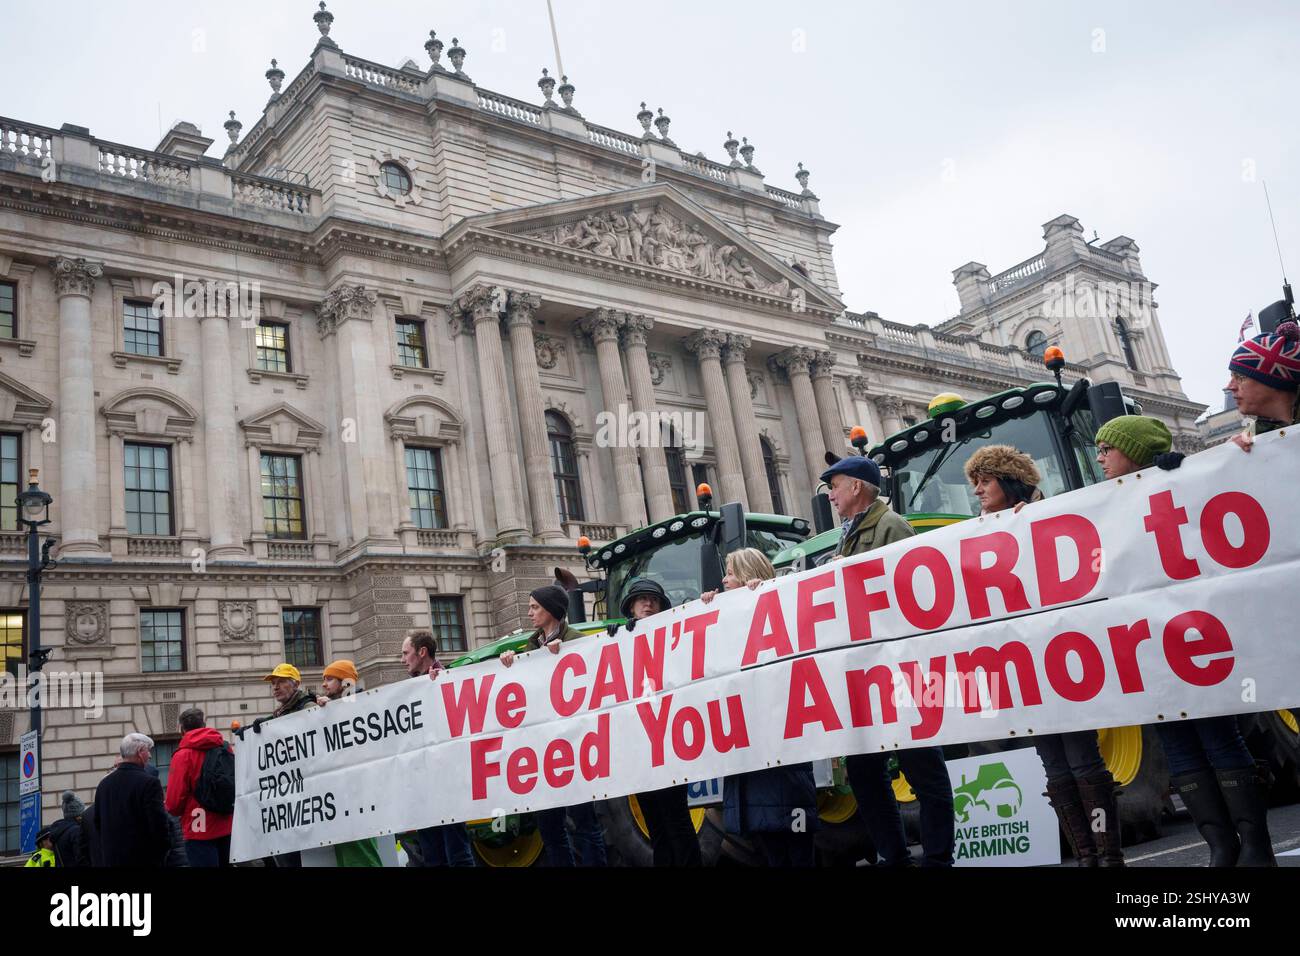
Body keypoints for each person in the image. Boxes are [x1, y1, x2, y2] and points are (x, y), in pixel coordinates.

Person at [1097, 415, 1276, 866]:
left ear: (1134, 452)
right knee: (1177, 742)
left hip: (1194, 633)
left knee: (1218, 736)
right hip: (1146, 642)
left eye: (1107, 449)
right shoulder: (1097, 503)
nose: (1099, 458)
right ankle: (1221, 846)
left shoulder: (1179, 480)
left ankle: (1256, 847)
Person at [965, 444, 1124, 866]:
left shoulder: (1051, 517)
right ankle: (1087, 856)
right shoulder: (971, 534)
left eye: (985, 481)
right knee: (1052, 763)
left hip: (1061, 654)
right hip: (1019, 664)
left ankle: (1108, 856)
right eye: (975, 482)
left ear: (1009, 481)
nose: (978, 491)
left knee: (1081, 757)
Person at [822, 455, 956, 867]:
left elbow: (911, 591)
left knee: (922, 767)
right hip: (867, 673)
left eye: (836, 485)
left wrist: (856, 571)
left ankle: (937, 857)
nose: (831, 494)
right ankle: (894, 856)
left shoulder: (891, 526)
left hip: (900, 668)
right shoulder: (846, 535)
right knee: (864, 773)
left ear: (857, 488)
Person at [704, 549, 820, 866]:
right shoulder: (726, 618)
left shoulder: (780, 606)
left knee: (795, 854)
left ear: (747, 575)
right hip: (752, 773)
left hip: (784, 771)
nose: (723, 580)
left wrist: (767, 595)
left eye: (729, 572)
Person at [499, 585, 608, 867]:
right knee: (550, 828)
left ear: (551, 610)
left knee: (585, 822)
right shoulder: (530, 647)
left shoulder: (577, 640)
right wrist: (510, 663)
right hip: (543, 752)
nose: (530, 612)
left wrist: (567, 654)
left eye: (535, 607)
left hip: (573, 747)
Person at [619, 578, 702, 866]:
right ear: (631, 607)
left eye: (653, 599)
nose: (648, 604)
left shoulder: (674, 634)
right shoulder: (618, 641)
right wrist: (611, 641)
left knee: (677, 821)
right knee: (656, 827)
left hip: (669, 744)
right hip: (640, 750)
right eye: (641, 599)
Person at [404, 631, 476, 868]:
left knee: (456, 851)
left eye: (406, 653)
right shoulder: (412, 687)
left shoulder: (446, 679)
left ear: (422, 652)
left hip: (448, 782)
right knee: (432, 853)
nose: (403, 659)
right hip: (425, 785)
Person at [89, 733, 173, 867]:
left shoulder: (104, 784)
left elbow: (98, 823)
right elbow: (158, 825)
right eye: (148, 751)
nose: (150, 756)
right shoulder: (149, 783)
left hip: (112, 859)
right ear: (140, 752)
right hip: (143, 859)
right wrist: (162, 854)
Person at [164, 708, 234, 868]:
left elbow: (174, 803)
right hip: (226, 822)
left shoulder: (182, 755)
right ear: (204, 725)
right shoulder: (224, 747)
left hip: (198, 827)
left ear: (182, 730)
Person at [1227, 319, 1300, 452]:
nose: (1230, 386)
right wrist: (1233, 455)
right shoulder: (1250, 438)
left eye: (1240, 377)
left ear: (1274, 380)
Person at [45, 791, 86, 867]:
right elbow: (81, 858)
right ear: (78, 815)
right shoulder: (75, 831)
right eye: (82, 812)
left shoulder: (58, 831)